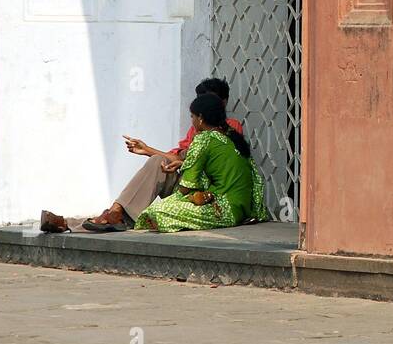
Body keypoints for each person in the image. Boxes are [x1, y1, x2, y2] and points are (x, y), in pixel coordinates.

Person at [39, 78, 244, 233]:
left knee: (144, 197)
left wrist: (154, 152)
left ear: (222, 104)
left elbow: (197, 163)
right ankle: (109, 214)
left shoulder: (228, 129)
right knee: (156, 165)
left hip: (205, 189)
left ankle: (74, 223)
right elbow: (182, 158)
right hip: (189, 177)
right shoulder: (197, 131)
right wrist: (161, 156)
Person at [133, 93, 268, 233]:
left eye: (192, 116)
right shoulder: (232, 137)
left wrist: (174, 203)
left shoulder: (203, 139)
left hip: (225, 209)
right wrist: (183, 165)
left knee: (155, 212)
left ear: (201, 118)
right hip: (243, 209)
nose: (192, 121)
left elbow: (187, 186)